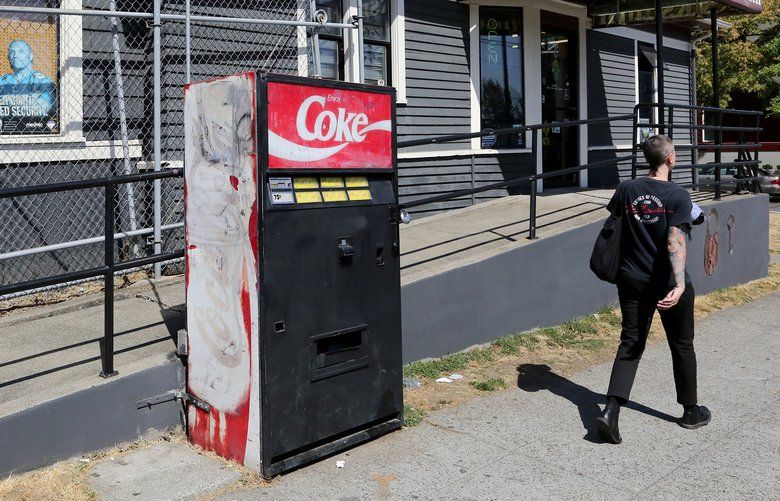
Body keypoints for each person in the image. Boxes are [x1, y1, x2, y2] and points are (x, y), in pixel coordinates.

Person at [596, 134, 711, 444]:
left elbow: (622, 221)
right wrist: (678, 284)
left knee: (631, 343)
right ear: (671, 159)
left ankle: (611, 410)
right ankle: (690, 411)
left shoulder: (627, 188)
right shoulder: (678, 196)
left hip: (631, 278)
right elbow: (675, 239)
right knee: (682, 344)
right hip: (664, 282)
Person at [0, 40, 55, 114]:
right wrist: (29, 101)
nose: (16, 55)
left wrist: (6, 101)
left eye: (21, 51)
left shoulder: (43, 81)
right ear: (8, 57)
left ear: (31, 56)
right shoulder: (2, 80)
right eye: (12, 52)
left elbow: (42, 109)